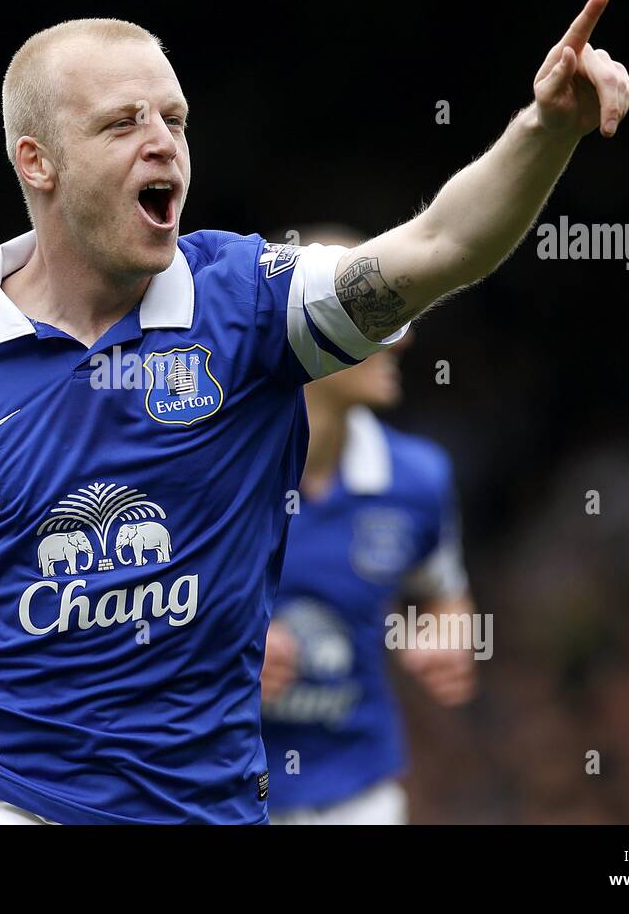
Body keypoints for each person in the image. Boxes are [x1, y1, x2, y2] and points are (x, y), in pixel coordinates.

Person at [0, 0, 629, 824]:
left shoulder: (251, 303)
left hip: (210, 806)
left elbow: (439, 247)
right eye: (122, 124)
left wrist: (545, 128)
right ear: (37, 161)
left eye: (176, 119)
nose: (163, 143)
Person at [260, 232, 476, 823]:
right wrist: (224, 654)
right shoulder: (206, 473)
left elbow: (440, 592)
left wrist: (443, 633)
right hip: (219, 790)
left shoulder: (417, 480)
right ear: (307, 331)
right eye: (377, 315)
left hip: (360, 791)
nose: (404, 338)